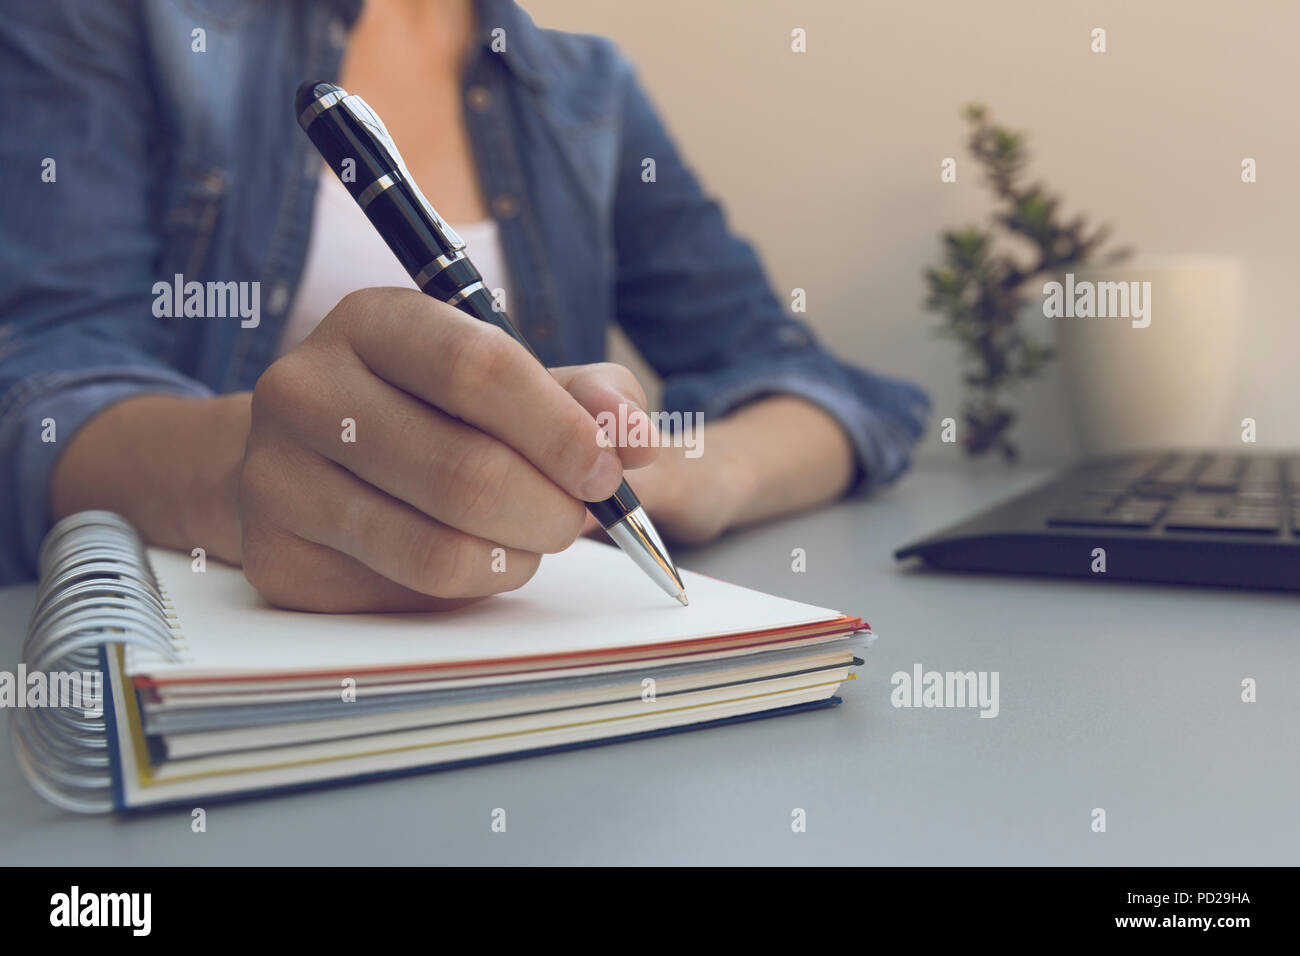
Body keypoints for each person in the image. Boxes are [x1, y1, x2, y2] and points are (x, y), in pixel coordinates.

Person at [0, 0, 929, 610]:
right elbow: (40, 389)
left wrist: (681, 478)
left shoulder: (586, 90)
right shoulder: (110, 22)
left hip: (527, 683)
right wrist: (239, 475)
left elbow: (816, 384)